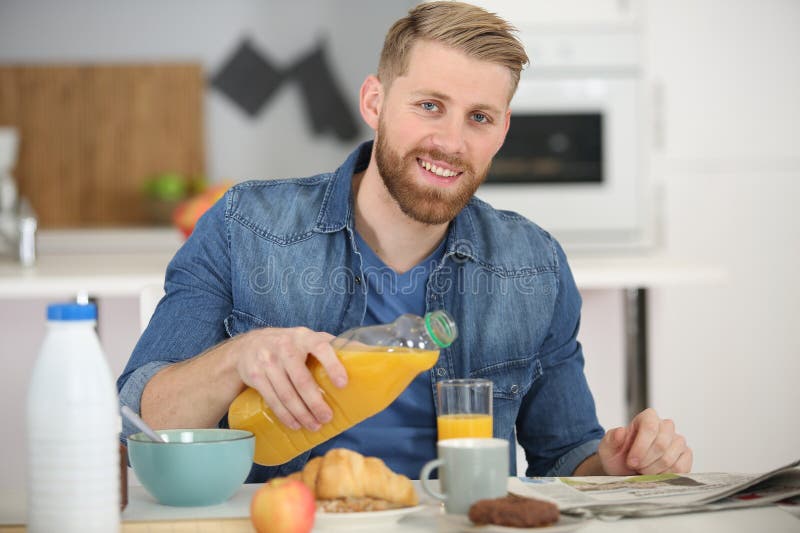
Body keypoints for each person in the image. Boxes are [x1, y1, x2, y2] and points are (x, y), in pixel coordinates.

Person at [118, 1, 692, 481]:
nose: (451, 142)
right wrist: (237, 359)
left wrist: (615, 466)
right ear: (375, 103)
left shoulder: (533, 264)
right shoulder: (245, 226)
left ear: (502, 131)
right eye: (429, 106)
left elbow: (565, 457)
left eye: (479, 117)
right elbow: (138, 421)